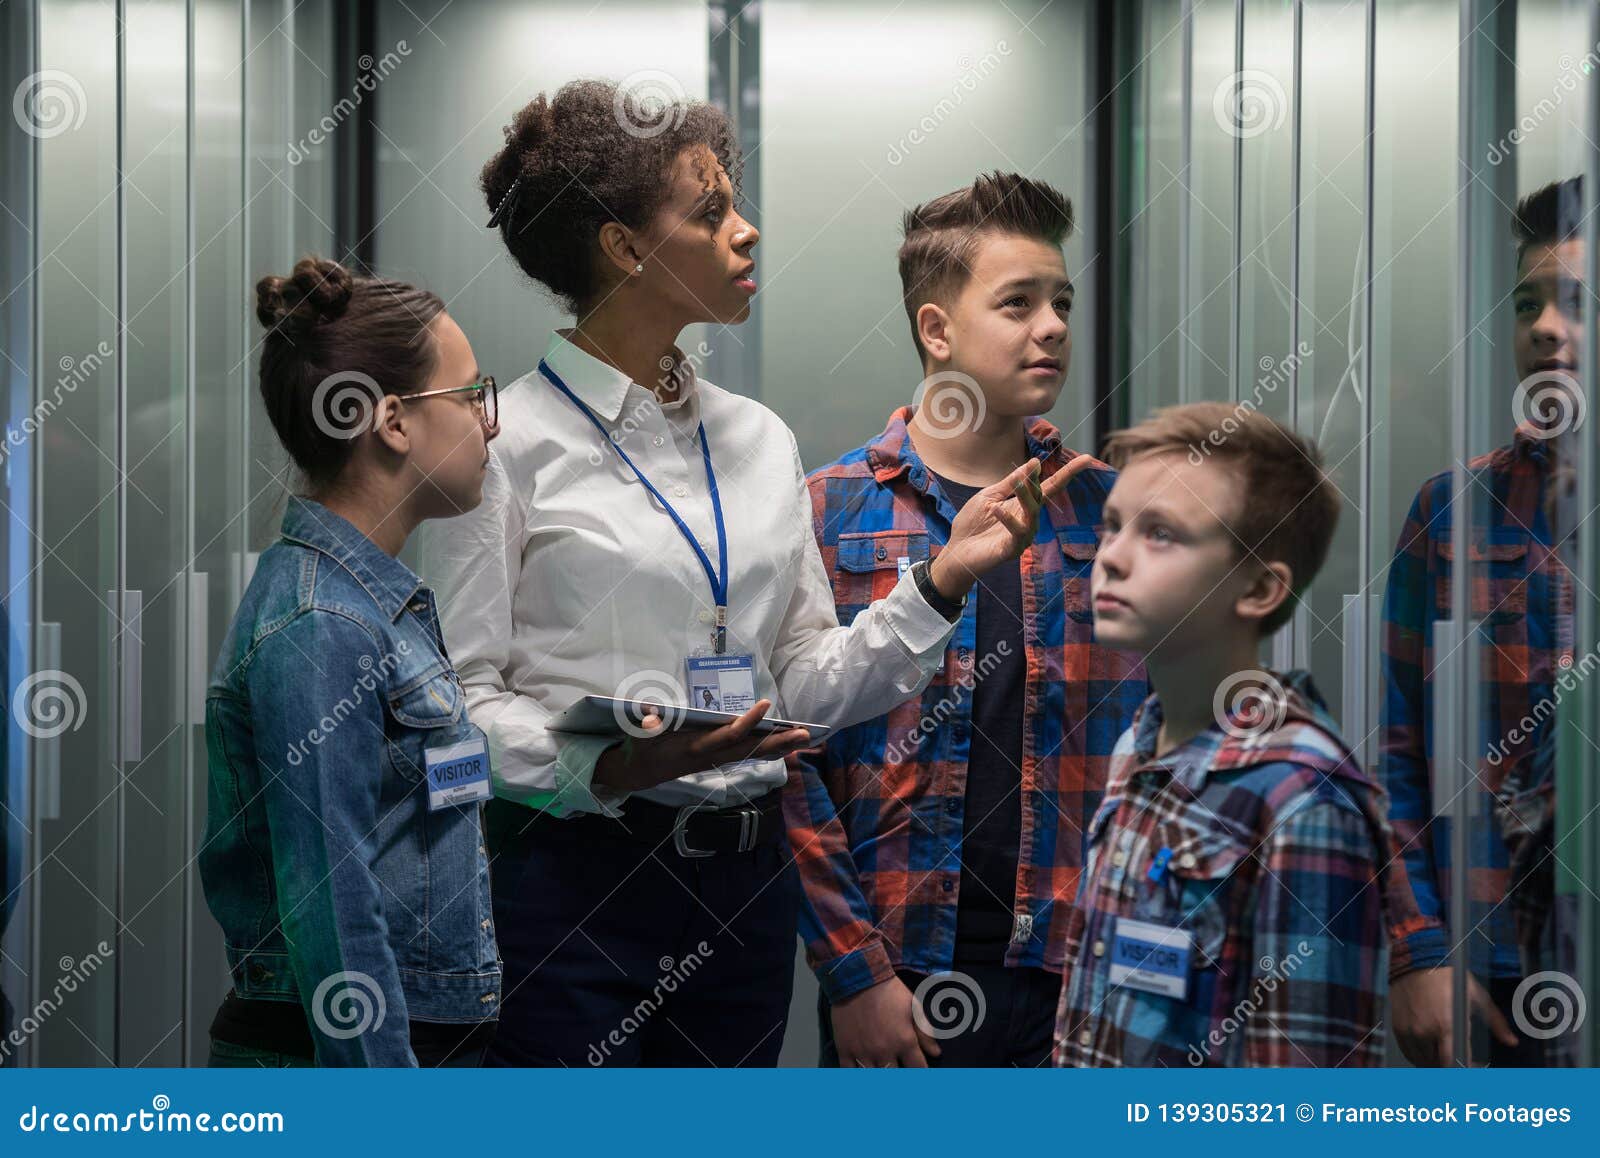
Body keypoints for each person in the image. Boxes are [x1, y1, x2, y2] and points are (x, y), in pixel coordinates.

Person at [418, 80, 1083, 1067]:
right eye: (712, 209)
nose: (748, 230)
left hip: (742, 901)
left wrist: (940, 580)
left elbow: (806, 683)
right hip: (569, 892)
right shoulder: (508, 443)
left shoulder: (757, 438)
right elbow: (456, 707)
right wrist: (597, 766)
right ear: (624, 247)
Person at [784, 171, 1147, 1068]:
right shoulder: (829, 510)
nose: (1054, 325)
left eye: (1061, 300)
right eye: (1018, 303)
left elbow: (1165, 739)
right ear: (936, 329)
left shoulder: (1113, 509)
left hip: (1085, 972)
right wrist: (853, 974)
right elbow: (784, 756)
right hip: (901, 973)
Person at [201, 256, 502, 1067]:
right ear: (394, 422)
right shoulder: (323, 619)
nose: (488, 422)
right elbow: (327, 902)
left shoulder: (375, 602)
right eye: (472, 396)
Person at [1052, 402, 1392, 1067]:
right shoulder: (1138, 747)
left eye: (1161, 534)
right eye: (1113, 526)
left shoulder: (1302, 799)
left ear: (1261, 589)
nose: (1110, 559)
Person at [1381, 176, 1586, 1066]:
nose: (1544, 326)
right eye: (1526, 301)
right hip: (1494, 956)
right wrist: (1419, 948)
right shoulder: (1455, 510)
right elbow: (1396, 749)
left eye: (1576, 301)